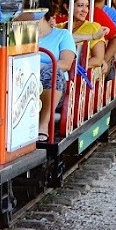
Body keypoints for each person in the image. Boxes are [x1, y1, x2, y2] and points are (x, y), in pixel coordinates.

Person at [36, 11, 75, 142]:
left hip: (53, 81)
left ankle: (43, 125)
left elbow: (66, 63)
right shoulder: (23, 36)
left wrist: (41, 67)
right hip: (28, 76)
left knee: (53, 71)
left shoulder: (62, 35)